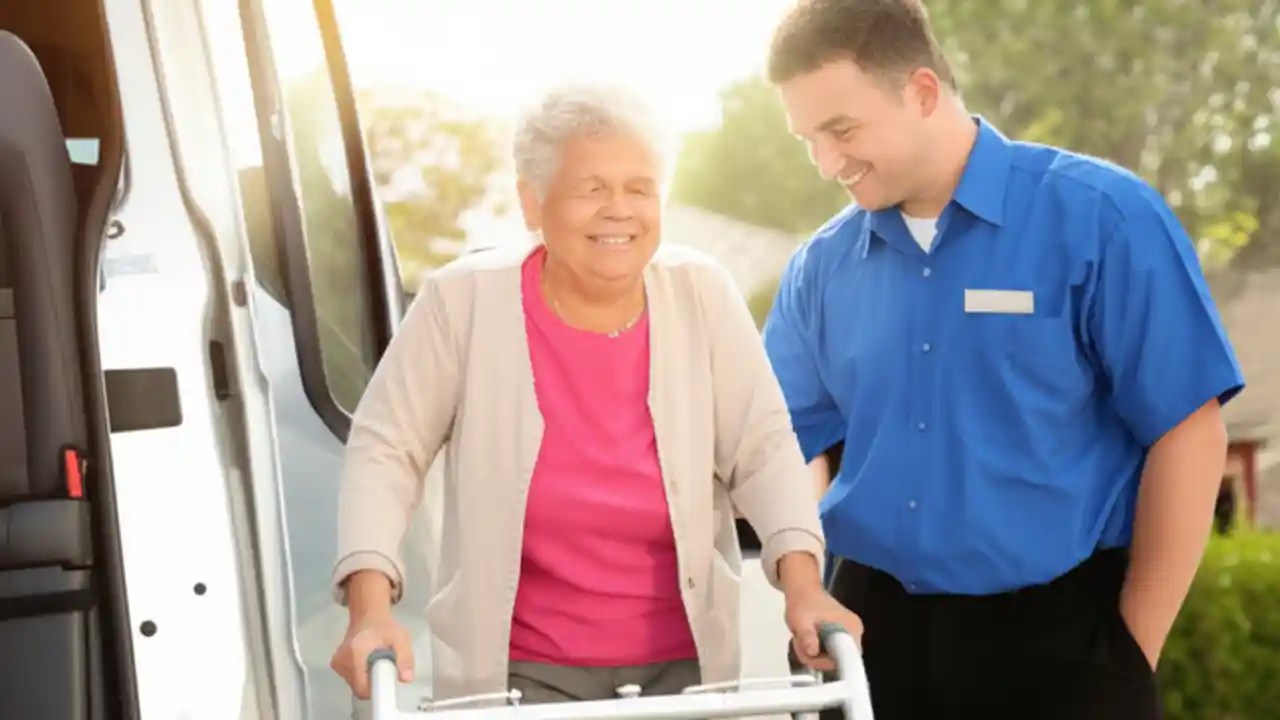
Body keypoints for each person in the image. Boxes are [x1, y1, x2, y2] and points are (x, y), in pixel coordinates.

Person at [760, 1, 1246, 718]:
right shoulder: (820, 268)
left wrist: (1128, 652)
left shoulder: (1102, 219)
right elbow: (774, 445)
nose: (828, 162)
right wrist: (804, 579)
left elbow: (1188, 430)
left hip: (1061, 644)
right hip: (869, 636)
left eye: (842, 130)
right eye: (808, 139)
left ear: (922, 92)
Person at [328, 82, 862, 706]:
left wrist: (803, 586)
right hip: (520, 674)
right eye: (592, 188)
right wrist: (369, 610)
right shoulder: (464, 301)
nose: (620, 210)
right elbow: (386, 450)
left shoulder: (701, 293)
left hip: (686, 666)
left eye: (640, 189)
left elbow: (764, 449)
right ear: (533, 202)